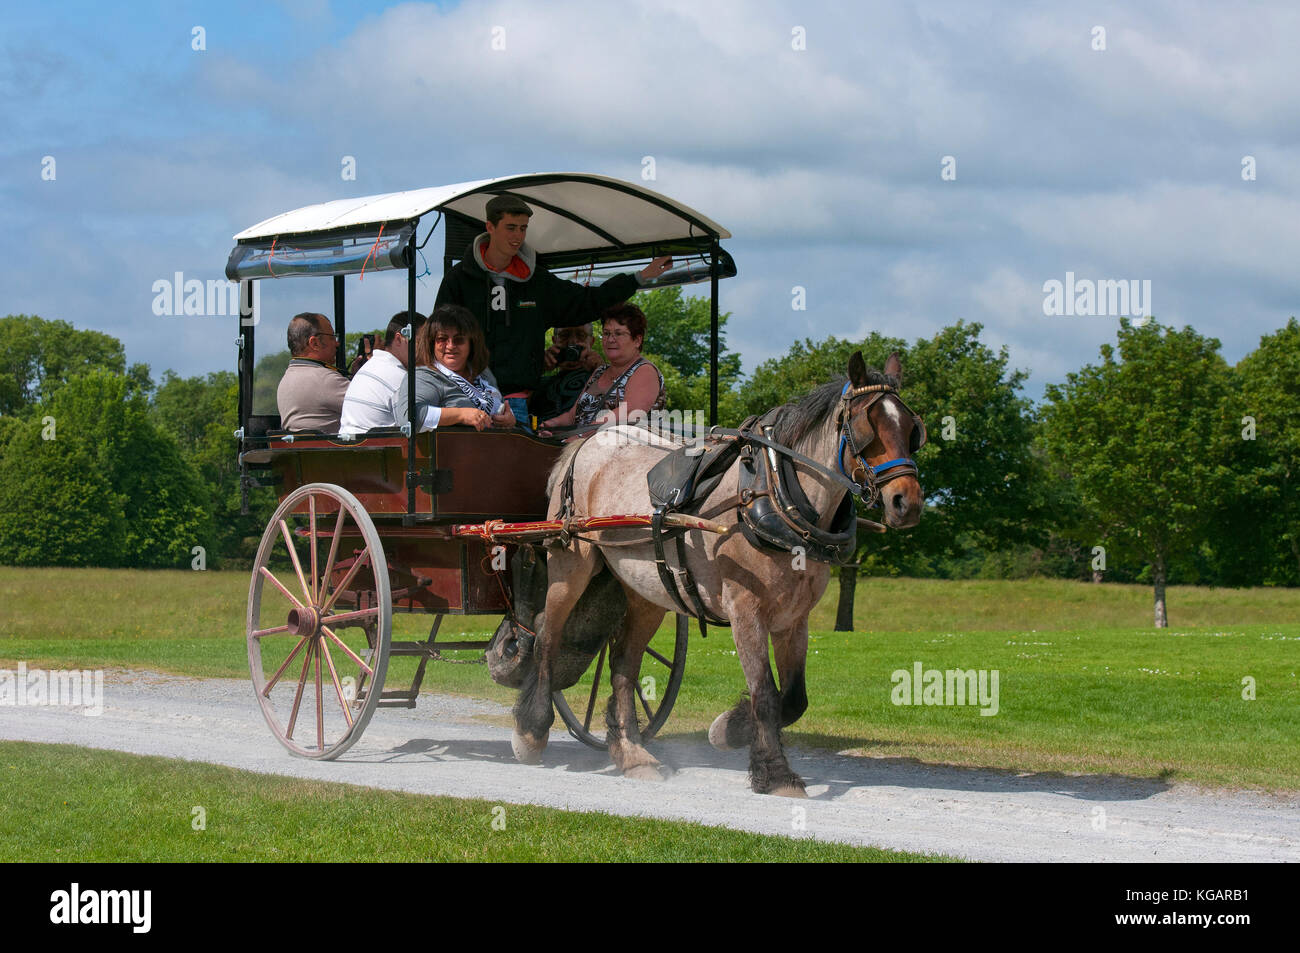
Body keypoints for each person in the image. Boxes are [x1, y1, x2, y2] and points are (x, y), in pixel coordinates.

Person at [434, 192, 673, 427]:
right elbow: (439, 339)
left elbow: (587, 301)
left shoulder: (537, 281)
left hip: (518, 402)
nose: (518, 236)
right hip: (468, 398)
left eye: (523, 228)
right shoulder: (459, 280)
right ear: (490, 227)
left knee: (517, 466)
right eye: (510, 227)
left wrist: (638, 278)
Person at [542, 303, 665, 435]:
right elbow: (572, 416)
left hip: (625, 453)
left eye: (618, 333)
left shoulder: (644, 371)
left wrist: (578, 437)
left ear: (637, 340)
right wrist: (551, 424)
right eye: (606, 333)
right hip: (583, 449)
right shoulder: (600, 372)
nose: (610, 339)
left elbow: (629, 413)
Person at [394, 304, 516, 432]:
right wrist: (460, 415)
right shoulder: (424, 376)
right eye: (442, 339)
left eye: (459, 340)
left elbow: (501, 406)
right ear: (431, 343)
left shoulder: (483, 372)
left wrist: (509, 419)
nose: (450, 346)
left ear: (472, 343)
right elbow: (409, 417)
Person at [339, 310, 427, 434]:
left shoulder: (372, 366)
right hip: (375, 450)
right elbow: (420, 425)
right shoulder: (399, 378)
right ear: (399, 339)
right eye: (422, 343)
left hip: (355, 448)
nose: (428, 351)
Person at [277, 312, 365, 432]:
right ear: (314, 343)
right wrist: (371, 368)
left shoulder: (286, 380)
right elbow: (374, 405)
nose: (337, 343)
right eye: (332, 337)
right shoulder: (326, 380)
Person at [529, 323, 601, 421]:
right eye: (564, 335)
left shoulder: (602, 377)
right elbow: (519, 410)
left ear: (591, 342)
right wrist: (537, 369)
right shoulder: (540, 383)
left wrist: (602, 371)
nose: (572, 342)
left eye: (581, 335)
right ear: (554, 341)